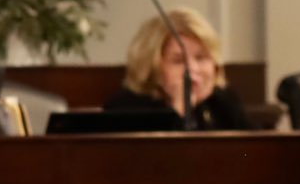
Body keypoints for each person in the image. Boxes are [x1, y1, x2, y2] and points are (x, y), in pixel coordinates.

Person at [104, 7, 252, 129]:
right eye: (178, 61)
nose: (193, 69)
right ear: (152, 66)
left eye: (201, 58)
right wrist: (179, 111)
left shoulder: (223, 102)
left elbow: (252, 153)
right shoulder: (127, 109)